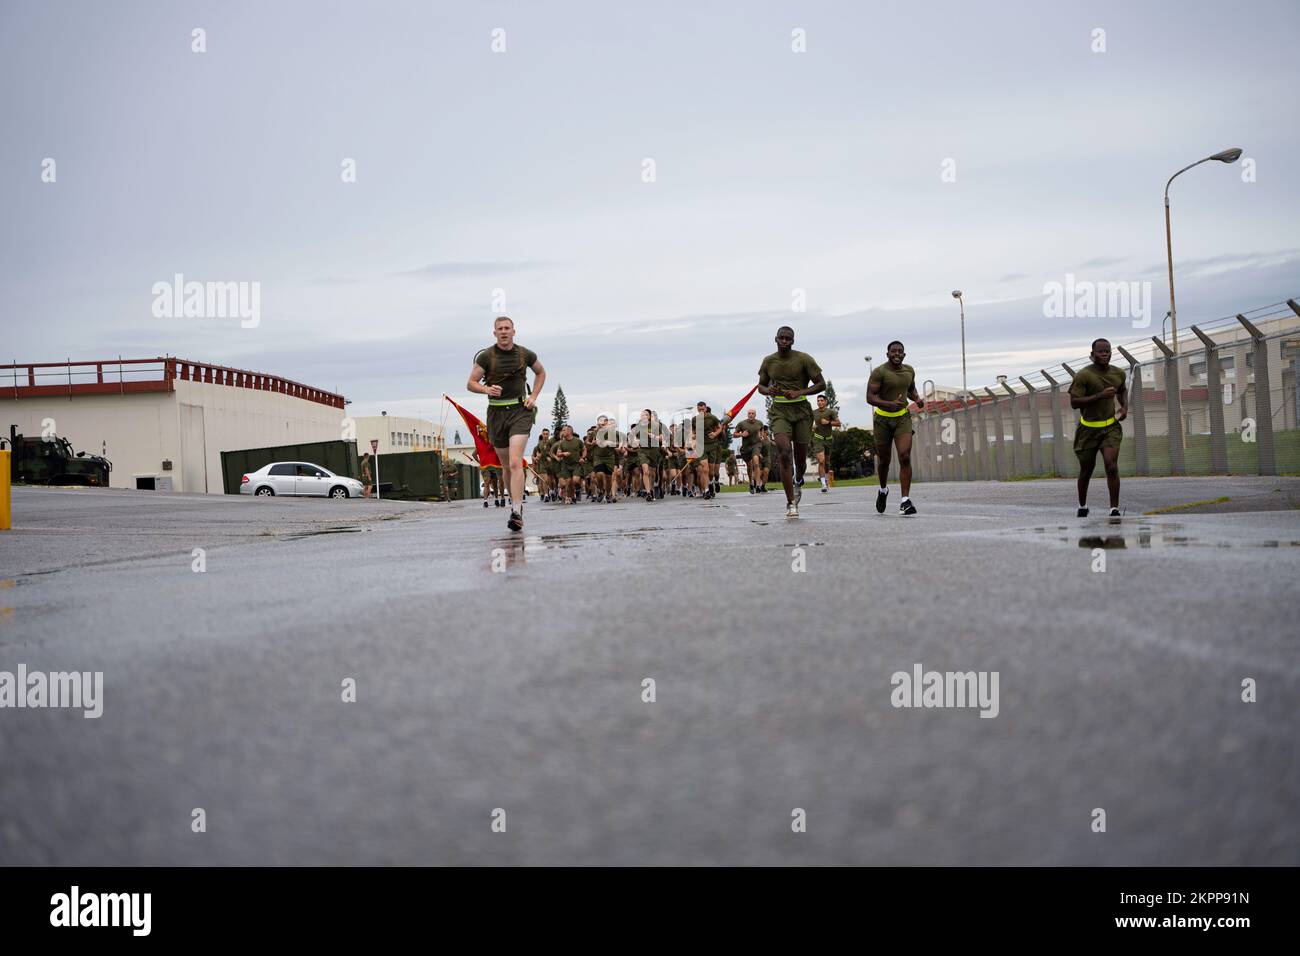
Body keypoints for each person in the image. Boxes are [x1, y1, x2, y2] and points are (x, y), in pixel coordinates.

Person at [468, 316, 546, 532]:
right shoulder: (487, 356)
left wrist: (534, 396)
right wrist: (486, 389)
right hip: (496, 413)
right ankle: (515, 505)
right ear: (494, 333)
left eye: (507, 328)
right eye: (500, 329)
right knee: (505, 467)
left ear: (514, 331)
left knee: (514, 461)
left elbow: (540, 372)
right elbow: (471, 383)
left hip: (521, 411)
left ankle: (516, 510)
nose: (504, 332)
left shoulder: (524, 354)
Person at [757, 326, 825, 517]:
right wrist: (768, 390)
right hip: (779, 411)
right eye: (782, 338)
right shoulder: (769, 361)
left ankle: (798, 479)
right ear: (776, 339)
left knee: (800, 461)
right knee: (784, 452)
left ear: (793, 341)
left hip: (801, 410)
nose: (784, 341)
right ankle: (790, 503)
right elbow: (761, 385)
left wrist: (800, 392)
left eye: (788, 339)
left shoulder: (804, 359)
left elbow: (821, 384)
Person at [1069, 337, 1128, 518]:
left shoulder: (1118, 373)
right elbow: (1074, 402)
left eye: (1107, 351)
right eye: (1100, 351)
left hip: (1110, 428)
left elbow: (1122, 390)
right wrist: (1100, 396)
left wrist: (1124, 406)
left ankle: (1114, 509)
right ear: (1092, 354)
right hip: (1088, 430)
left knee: (1111, 466)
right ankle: (1082, 505)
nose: (1104, 354)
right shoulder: (1083, 375)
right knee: (1087, 470)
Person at [867, 340, 923, 516]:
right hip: (883, 420)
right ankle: (883, 490)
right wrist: (889, 404)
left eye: (900, 351)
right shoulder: (879, 372)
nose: (897, 354)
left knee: (904, 456)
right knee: (884, 461)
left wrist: (917, 398)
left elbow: (911, 389)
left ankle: (905, 501)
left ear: (904, 355)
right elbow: (870, 397)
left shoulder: (909, 370)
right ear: (887, 354)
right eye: (893, 351)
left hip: (902, 418)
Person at [811, 394, 841, 493]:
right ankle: (823, 484)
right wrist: (812, 427)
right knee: (821, 460)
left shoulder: (831, 412)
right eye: (818, 401)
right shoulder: (814, 413)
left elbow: (839, 423)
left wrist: (828, 423)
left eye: (821, 400)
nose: (819, 402)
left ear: (826, 402)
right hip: (817, 439)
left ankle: (827, 479)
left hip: (828, 439)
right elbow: (809, 424)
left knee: (827, 463)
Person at [551, 424, 584, 503]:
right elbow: (552, 453)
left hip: (575, 464)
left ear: (569, 431)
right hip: (561, 465)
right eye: (561, 432)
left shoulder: (577, 441)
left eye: (563, 431)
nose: (562, 433)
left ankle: (571, 495)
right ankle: (565, 494)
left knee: (573, 481)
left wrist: (582, 458)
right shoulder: (557, 444)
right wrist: (559, 456)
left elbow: (584, 449)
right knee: (564, 483)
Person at [733, 409, 763, 493]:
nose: (751, 415)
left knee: (756, 462)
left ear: (755, 415)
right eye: (749, 413)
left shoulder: (759, 423)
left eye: (752, 413)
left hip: (756, 445)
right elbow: (734, 434)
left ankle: (757, 485)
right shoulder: (742, 424)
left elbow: (761, 431)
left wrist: (761, 436)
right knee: (749, 466)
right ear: (747, 414)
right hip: (746, 448)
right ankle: (751, 483)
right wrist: (741, 434)